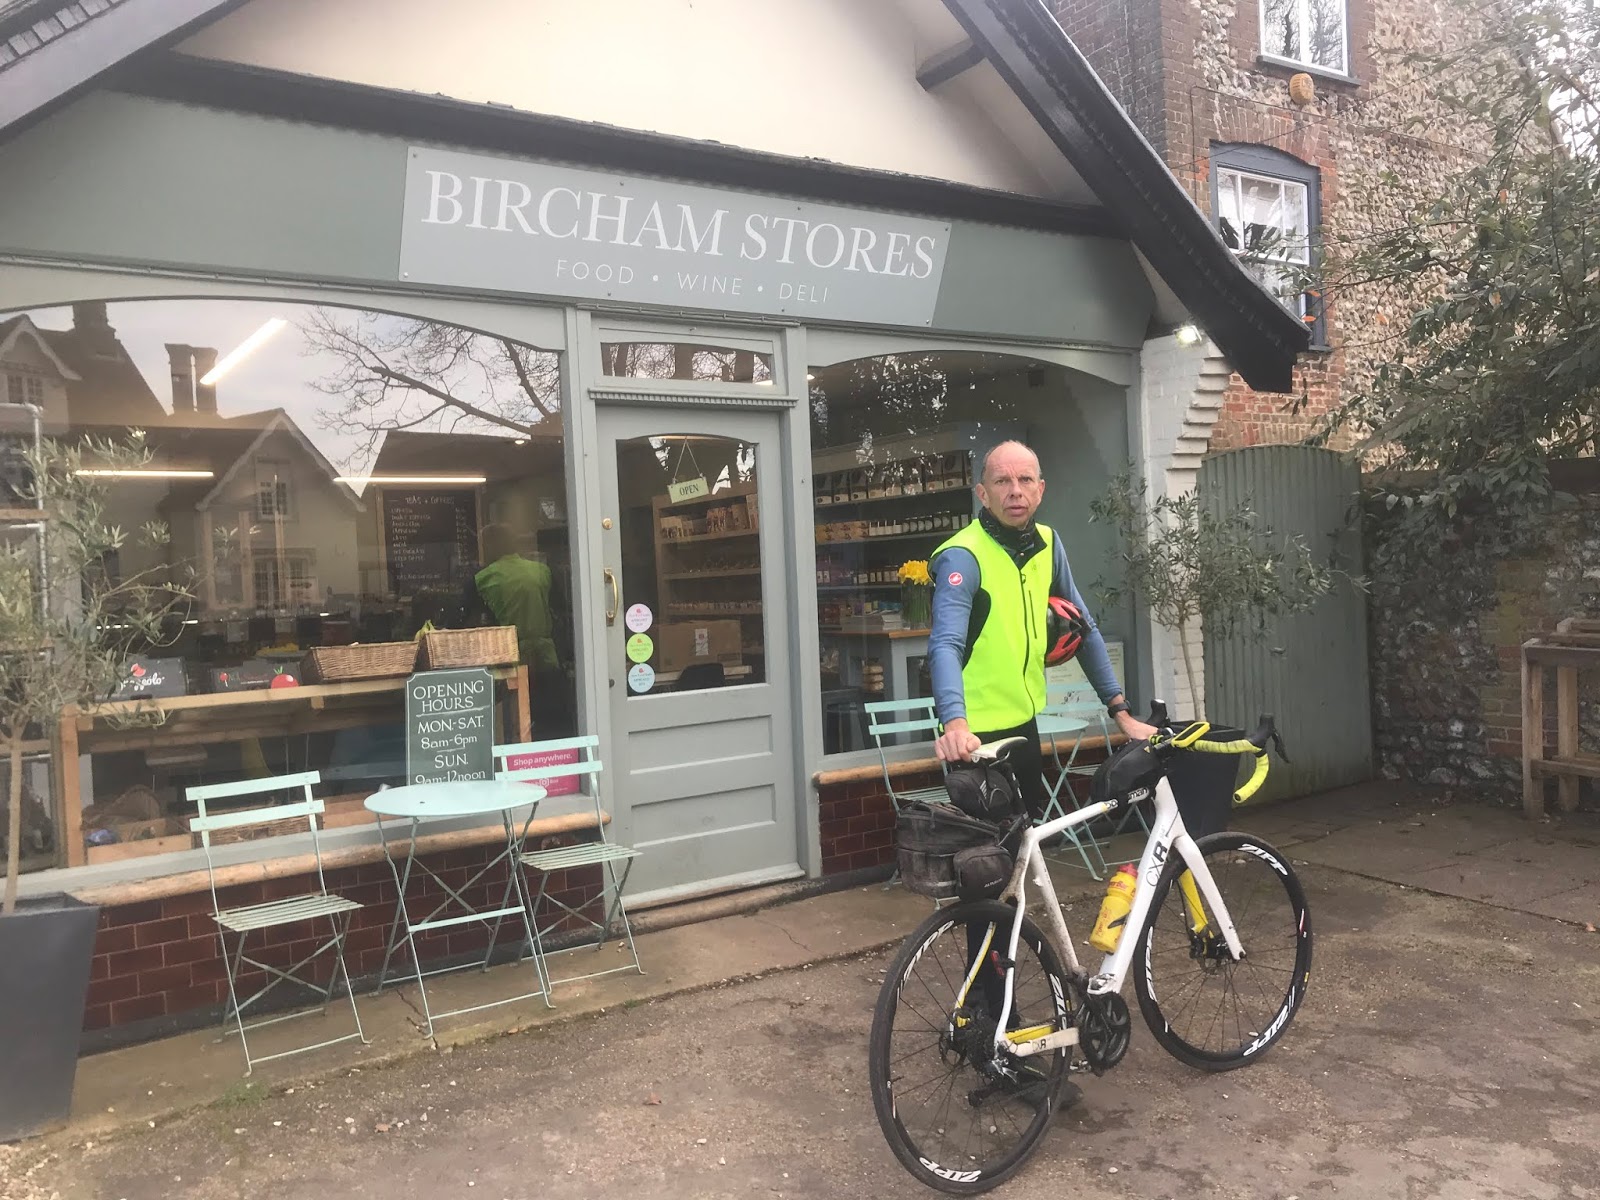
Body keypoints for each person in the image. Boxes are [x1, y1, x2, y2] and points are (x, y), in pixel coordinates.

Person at [929, 440, 1157, 818]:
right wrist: (955, 724)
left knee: (1028, 839)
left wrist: (1122, 712)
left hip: (1023, 724)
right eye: (1002, 481)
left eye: (1025, 479)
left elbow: (1084, 628)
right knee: (985, 861)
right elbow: (945, 645)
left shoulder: (1048, 544)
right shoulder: (963, 555)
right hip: (973, 735)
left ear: (1040, 489)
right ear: (983, 494)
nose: (1015, 490)